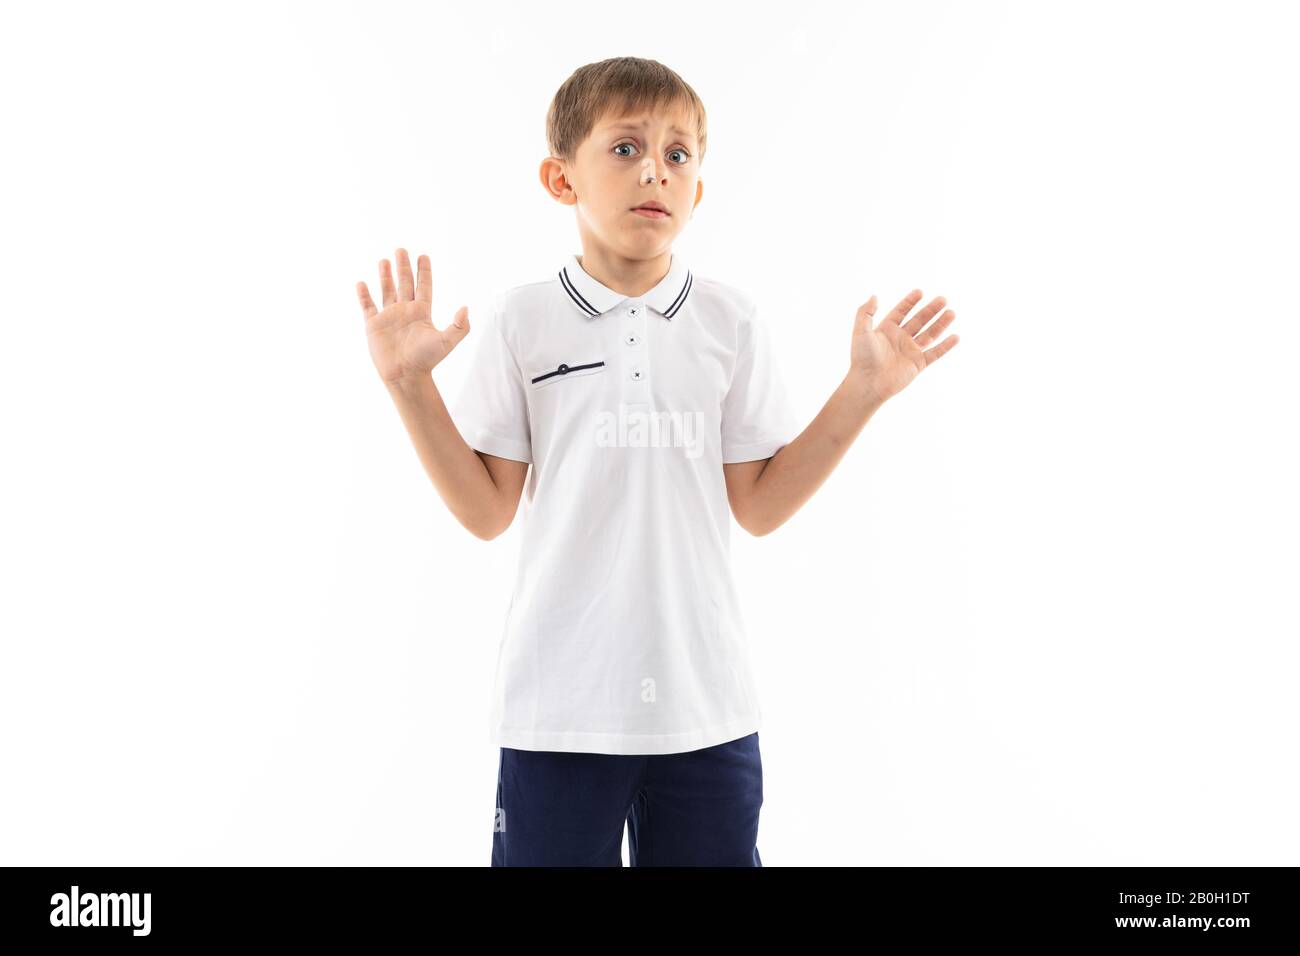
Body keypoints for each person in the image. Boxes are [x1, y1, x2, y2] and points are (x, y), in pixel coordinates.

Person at [354, 56, 959, 866]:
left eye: (679, 155)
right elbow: (486, 510)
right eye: (625, 147)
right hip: (559, 714)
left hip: (705, 711)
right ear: (560, 177)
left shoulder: (729, 321)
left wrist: (863, 391)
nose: (655, 171)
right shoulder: (521, 321)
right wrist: (407, 384)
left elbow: (762, 505)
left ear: (698, 189)